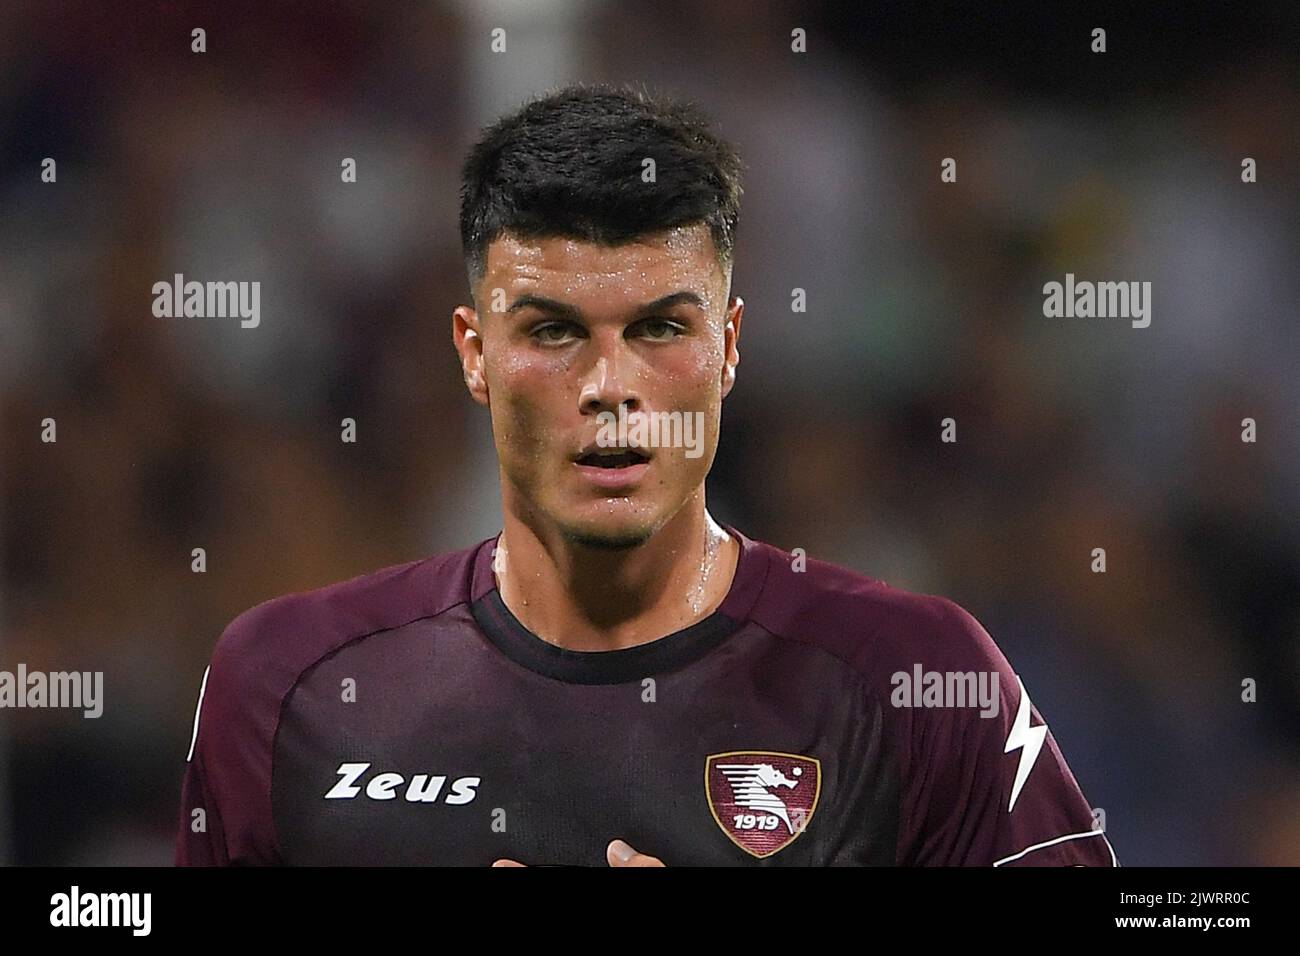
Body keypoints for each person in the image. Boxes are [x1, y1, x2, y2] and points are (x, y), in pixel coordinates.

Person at [175, 83, 1116, 866]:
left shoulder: (920, 680)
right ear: (473, 354)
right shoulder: (285, 684)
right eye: (552, 332)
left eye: (661, 328)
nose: (610, 388)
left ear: (730, 346)